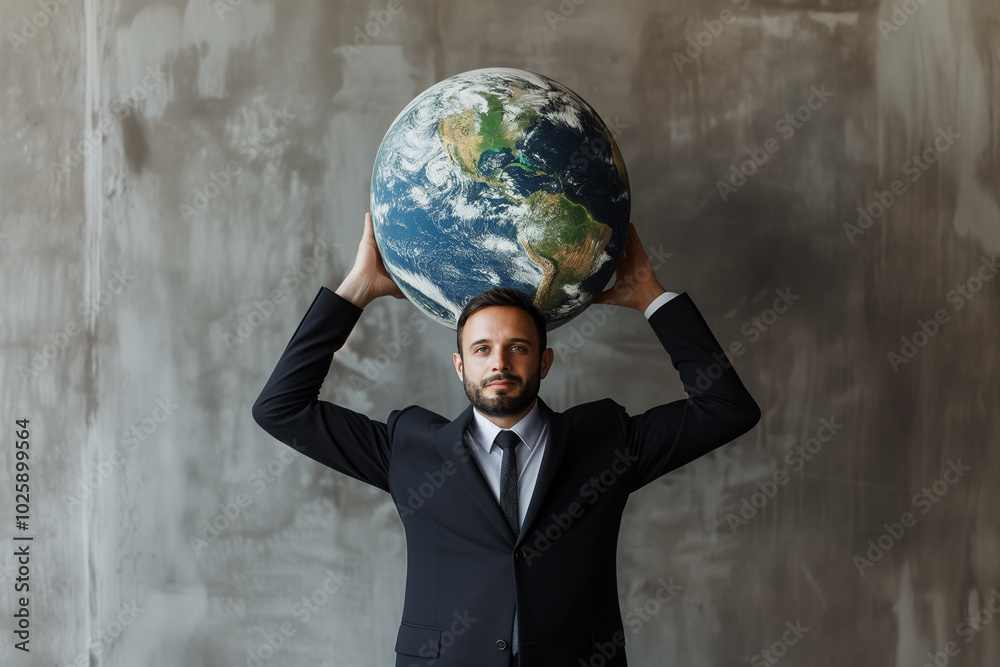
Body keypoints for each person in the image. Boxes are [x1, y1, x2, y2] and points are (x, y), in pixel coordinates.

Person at [251, 212, 761, 666]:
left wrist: (652, 299)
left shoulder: (606, 441)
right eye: (482, 349)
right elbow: (281, 407)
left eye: (517, 347)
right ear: (460, 366)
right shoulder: (409, 448)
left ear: (544, 361)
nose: (499, 362)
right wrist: (356, 290)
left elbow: (726, 408)